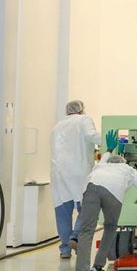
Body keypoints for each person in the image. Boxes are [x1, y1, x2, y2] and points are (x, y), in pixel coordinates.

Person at [73, 151, 137, 271]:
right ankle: (97, 267)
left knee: (86, 231)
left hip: (90, 190)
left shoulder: (100, 166)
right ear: (123, 162)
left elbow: (101, 163)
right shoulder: (128, 169)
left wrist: (108, 151)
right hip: (113, 194)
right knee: (110, 227)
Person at [50, 100, 101, 259]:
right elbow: (92, 136)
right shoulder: (84, 120)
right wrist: (116, 139)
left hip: (58, 173)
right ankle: (76, 235)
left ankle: (65, 250)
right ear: (82, 110)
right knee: (87, 206)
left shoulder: (57, 126)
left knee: (62, 211)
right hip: (78, 171)